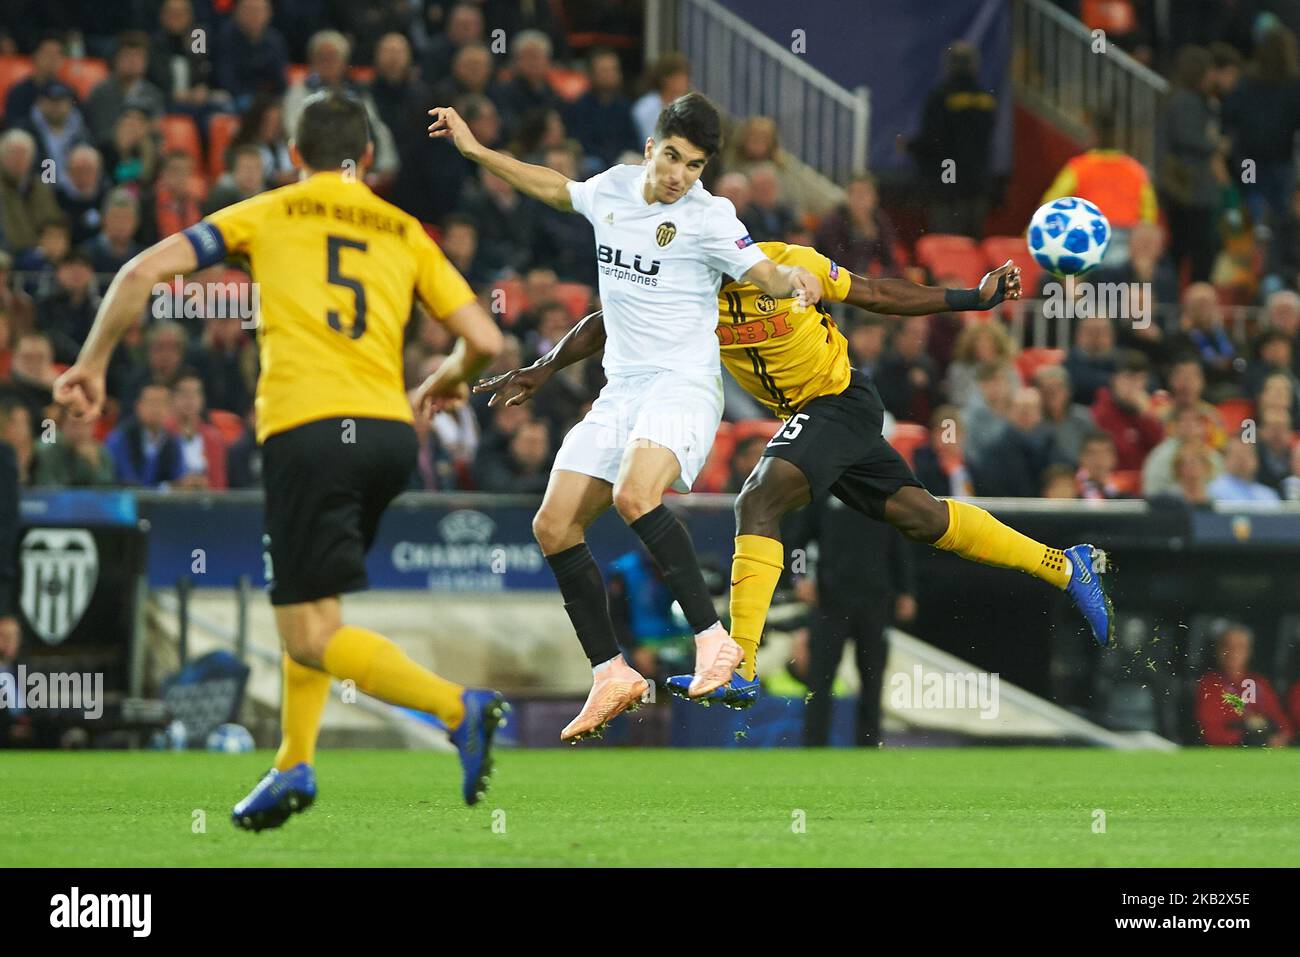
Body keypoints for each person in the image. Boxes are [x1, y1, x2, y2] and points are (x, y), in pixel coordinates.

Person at [54, 92, 506, 829]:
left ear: (292, 156)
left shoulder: (268, 210)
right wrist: (444, 384)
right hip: (390, 437)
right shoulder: (403, 229)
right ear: (365, 161)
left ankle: (459, 708)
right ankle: (293, 764)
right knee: (311, 603)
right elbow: (485, 340)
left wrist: (93, 364)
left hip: (310, 430)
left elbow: (140, 272)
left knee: (308, 631)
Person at [479, 242, 1119, 714]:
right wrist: (542, 367)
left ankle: (741, 662)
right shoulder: (689, 294)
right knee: (921, 517)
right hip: (810, 418)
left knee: (757, 501)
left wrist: (971, 299)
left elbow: (875, 292)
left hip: (840, 402)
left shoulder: (790, 264)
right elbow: (604, 323)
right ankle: (1065, 565)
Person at [429, 92, 824, 741]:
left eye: (694, 165)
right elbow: (554, 187)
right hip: (623, 390)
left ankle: (714, 642)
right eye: (672, 157)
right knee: (553, 524)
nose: (679, 175)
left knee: (638, 495)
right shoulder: (612, 191)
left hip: (684, 385)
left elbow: (764, 271)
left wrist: (795, 283)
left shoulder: (709, 216)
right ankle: (612, 672)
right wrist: (474, 150)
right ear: (651, 149)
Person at [792, 492, 916, 747]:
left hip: (875, 600)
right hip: (830, 600)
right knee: (820, 677)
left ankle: (869, 744)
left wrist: (906, 590)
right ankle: (813, 743)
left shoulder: (885, 494)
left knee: (873, 677)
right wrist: (799, 577)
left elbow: (899, 545)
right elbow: (797, 542)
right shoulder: (824, 493)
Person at [1195, 624, 1292, 747]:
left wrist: (1281, 737)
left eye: (1240, 647)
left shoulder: (1259, 682)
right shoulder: (1209, 684)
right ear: (1218, 650)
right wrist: (1247, 739)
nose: (1233, 652)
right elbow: (1210, 732)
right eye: (1227, 646)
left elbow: (1283, 723)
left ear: (1249, 651)